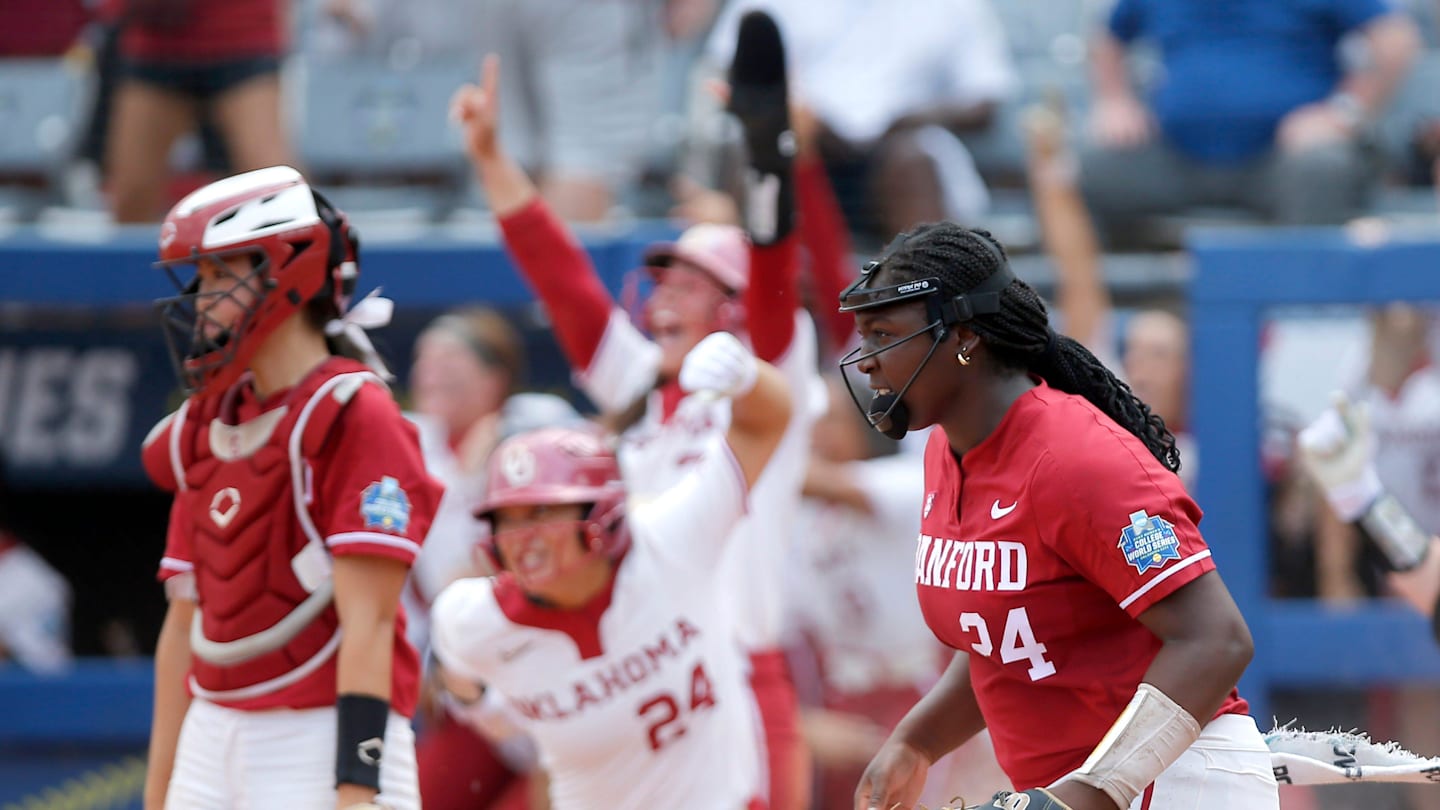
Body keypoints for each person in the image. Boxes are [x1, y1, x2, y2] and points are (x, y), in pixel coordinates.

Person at [450, 15, 822, 808]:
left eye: (691, 284)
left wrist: (765, 152)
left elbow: (772, 266)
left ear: (734, 306)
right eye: (664, 283)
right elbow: (564, 281)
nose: (664, 300)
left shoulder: (763, 367)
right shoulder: (642, 381)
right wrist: (492, 160)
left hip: (734, 669)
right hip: (629, 665)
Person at [839, 222, 1277, 810]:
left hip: (1172, 784)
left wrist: (1087, 793)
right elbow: (1005, 636)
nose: (867, 362)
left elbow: (1216, 640)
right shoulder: (945, 451)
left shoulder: (1074, 455)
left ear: (964, 336)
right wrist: (916, 742)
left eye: (884, 335)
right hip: (1078, 792)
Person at [138, 165, 443, 810]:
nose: (201, 300)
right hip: (212, 732)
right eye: (201, 278)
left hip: (319, 730)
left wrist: (355, 792)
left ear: (287, 270)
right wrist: (158, 794)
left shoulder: (353, 412)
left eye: (221, 275)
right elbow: (183, 625)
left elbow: (371, 623)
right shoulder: (207, 423)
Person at [428, 331, 793, 810]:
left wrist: (747, 376)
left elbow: (767, 423)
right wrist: (486, 708)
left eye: (542, 511)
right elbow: (462, 677)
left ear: (599, 511)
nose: (522, 537)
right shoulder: (469, 617)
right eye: (507, 518)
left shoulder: (670, 538)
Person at [406, 306, 581, 810]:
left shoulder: (534, 422)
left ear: (493, 376)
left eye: (450, 359)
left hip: (549, 658)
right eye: (425, 359)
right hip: (470, 672)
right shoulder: (411, 439)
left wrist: (497, 451)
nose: (432, 372)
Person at [1076, 0, 1420, 247]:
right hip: (1178, 157)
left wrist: (1342, 111)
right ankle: (1098, 312)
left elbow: (1396, 39)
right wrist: (1114, 100)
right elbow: (1108, 37)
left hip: (1278, 161)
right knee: (1078, 173)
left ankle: (1302, 310)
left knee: (1320, 166)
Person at [703, 0, 1016, 241]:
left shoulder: (957, 5)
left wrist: (908, 120)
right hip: (798, 137)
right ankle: (746, 291)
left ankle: (926, 293)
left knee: (915, 158)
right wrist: (791, 113)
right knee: (756, 151)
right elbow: (730, 70)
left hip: (901, 146)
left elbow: (985, 99)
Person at [102, 0, 296, 222]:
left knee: (273, 186)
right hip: (156, 48)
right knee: (133, 191)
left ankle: (300, 241)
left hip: (242, 43)